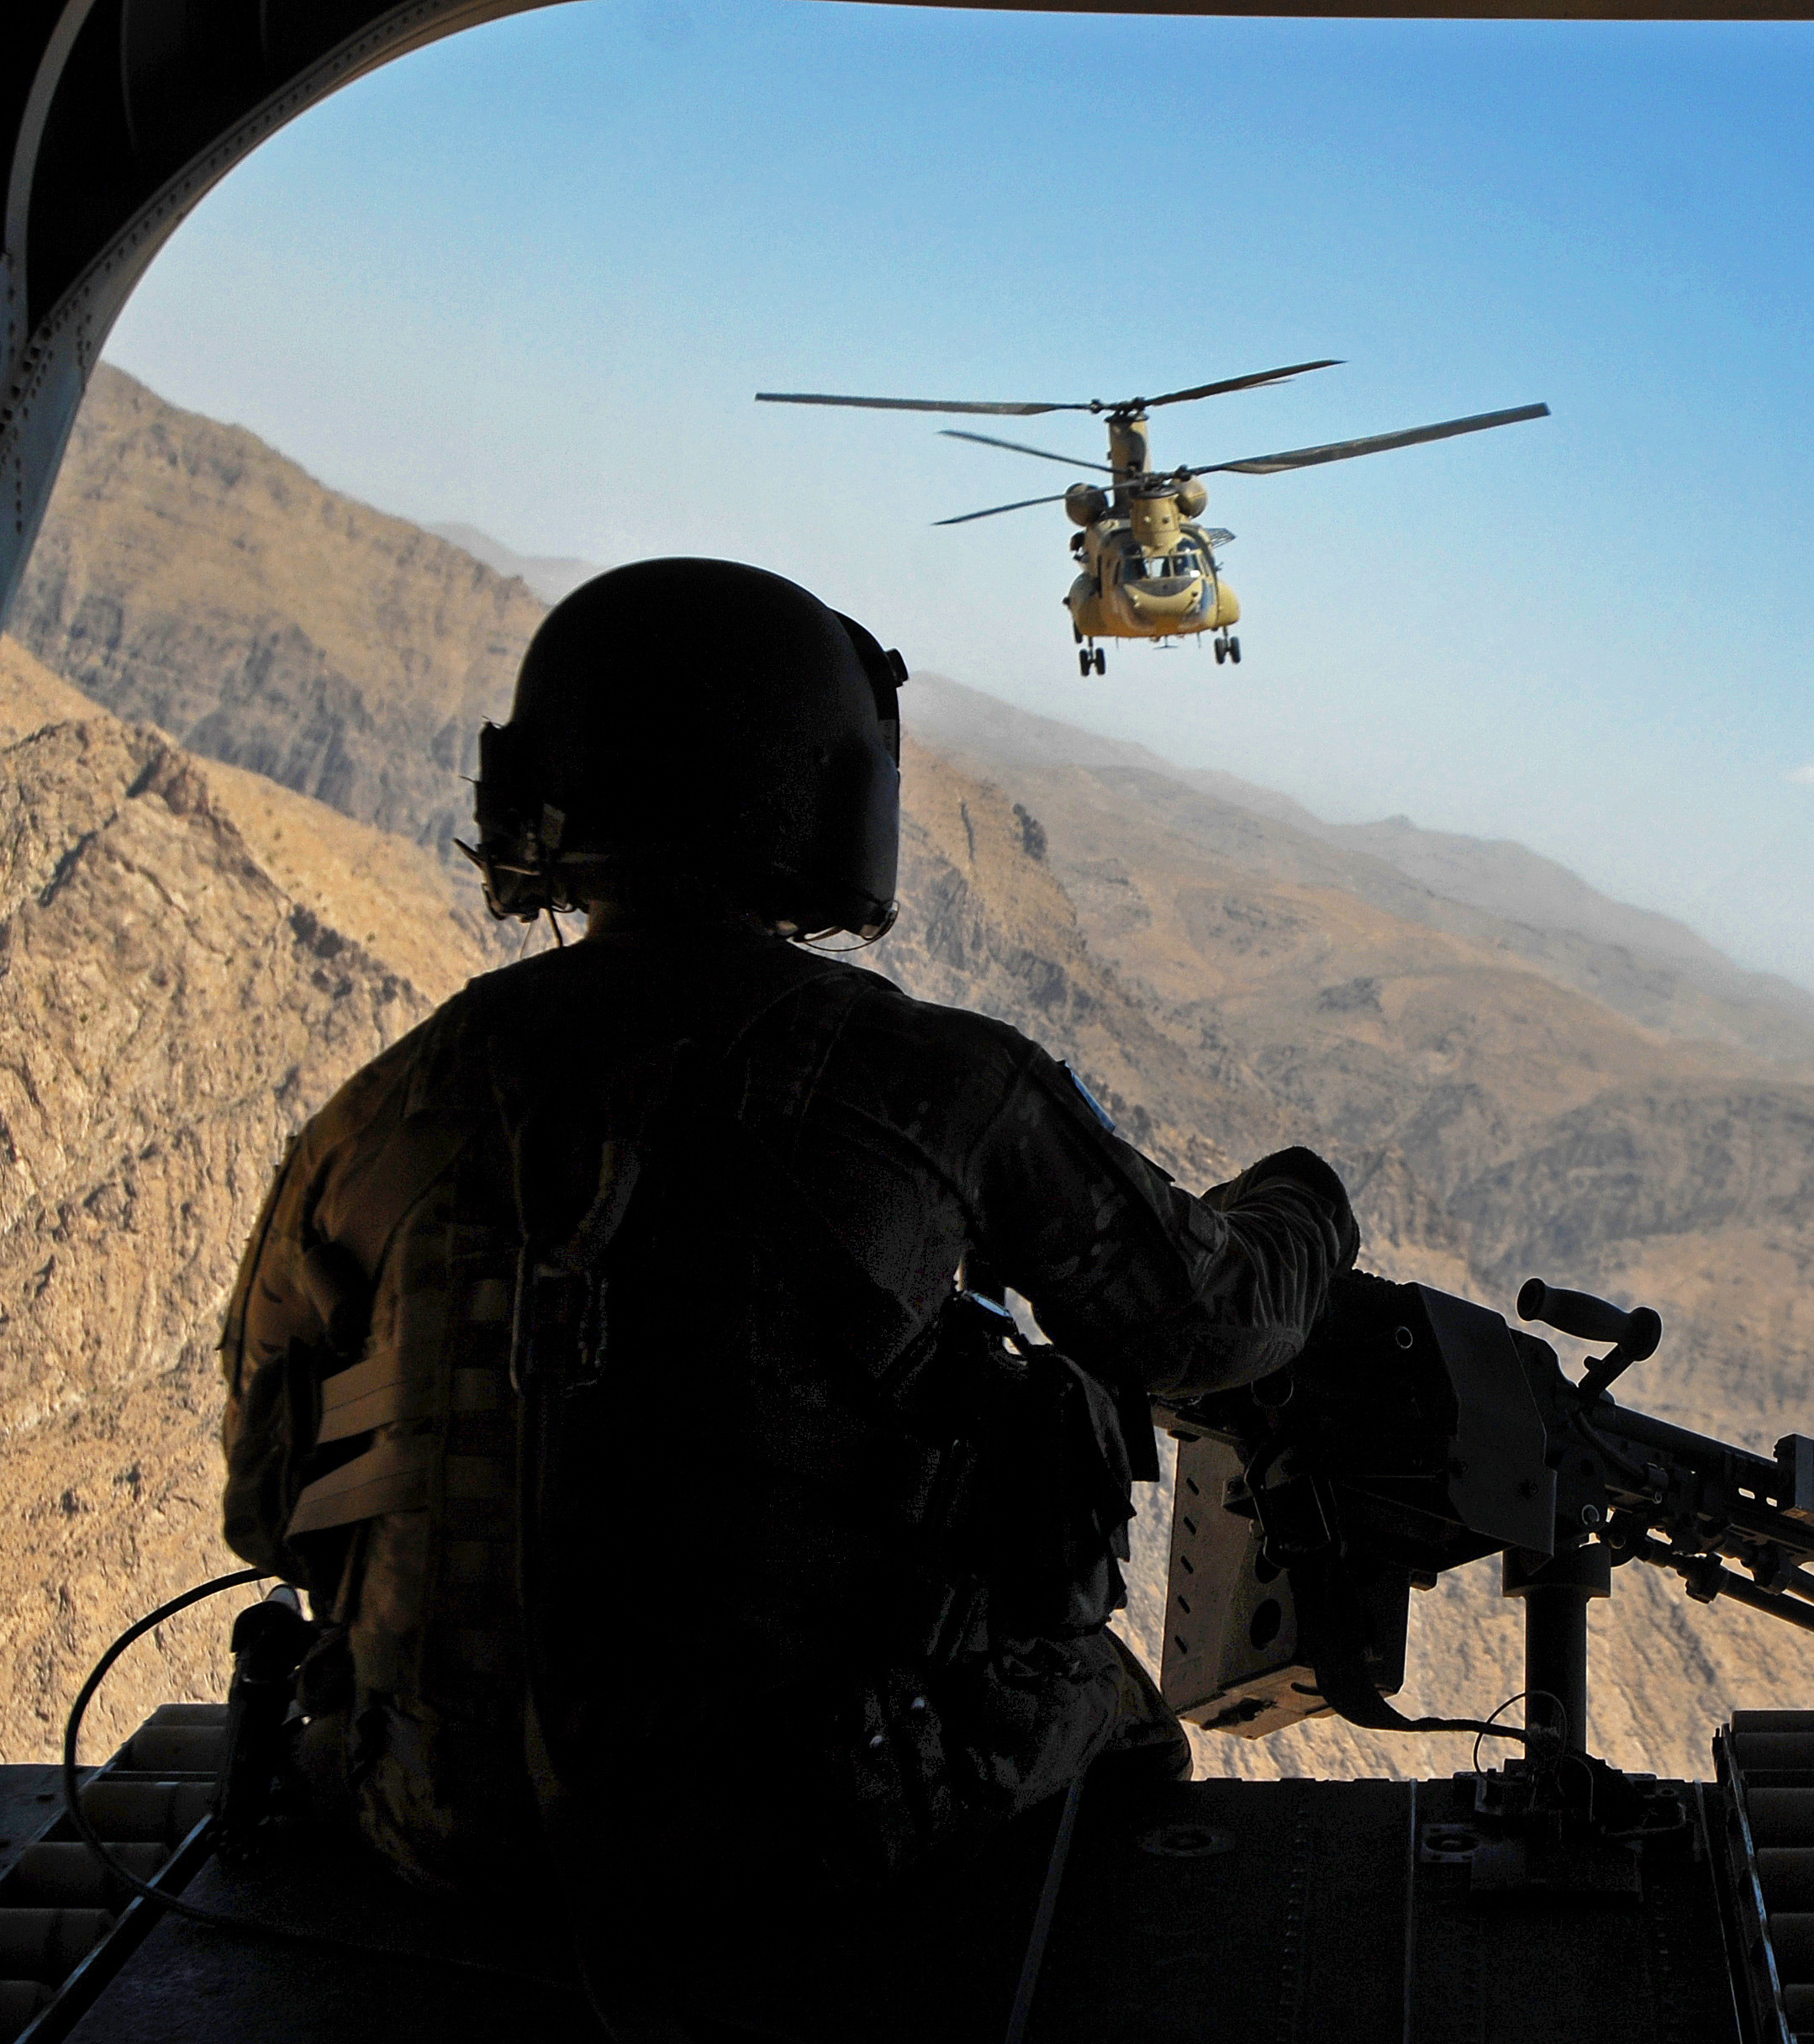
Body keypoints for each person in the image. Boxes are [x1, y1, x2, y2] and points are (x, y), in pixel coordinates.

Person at [216, 557, 1358, 2036]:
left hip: (421, 1815)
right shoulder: (942, 1085)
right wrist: (1309, 1202)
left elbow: (263, 1509)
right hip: (808, 1828)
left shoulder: (382, 1109)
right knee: (1118, 1708)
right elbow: (1201, 1325)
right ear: (827, 801)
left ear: (536, 794)